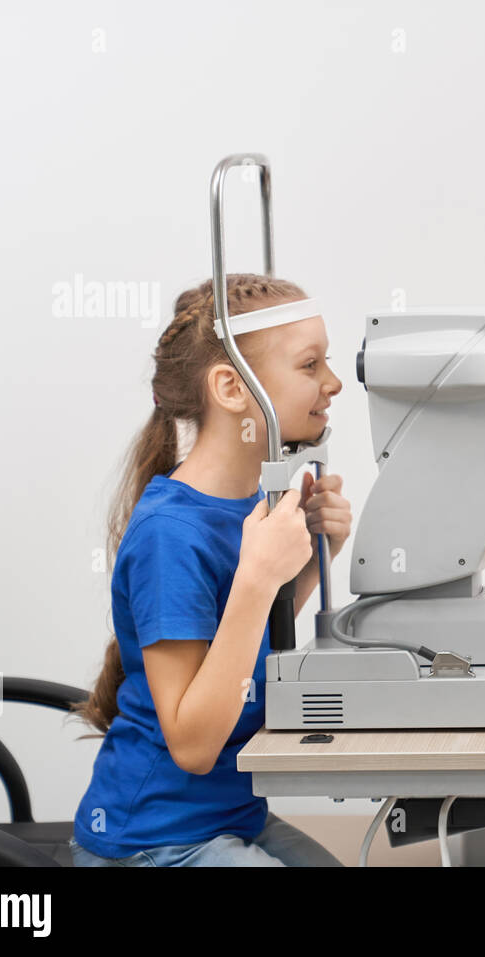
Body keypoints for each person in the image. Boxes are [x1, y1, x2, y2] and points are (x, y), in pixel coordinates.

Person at [68, 273, 351, 866]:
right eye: (309, 365)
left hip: (231, 818)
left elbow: (235, 652)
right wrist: (256, 578)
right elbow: (193, 744)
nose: (334, 383)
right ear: (230, 387)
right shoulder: (170, 535)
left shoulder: (251, 507)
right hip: (152, 841)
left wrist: (303, 569)